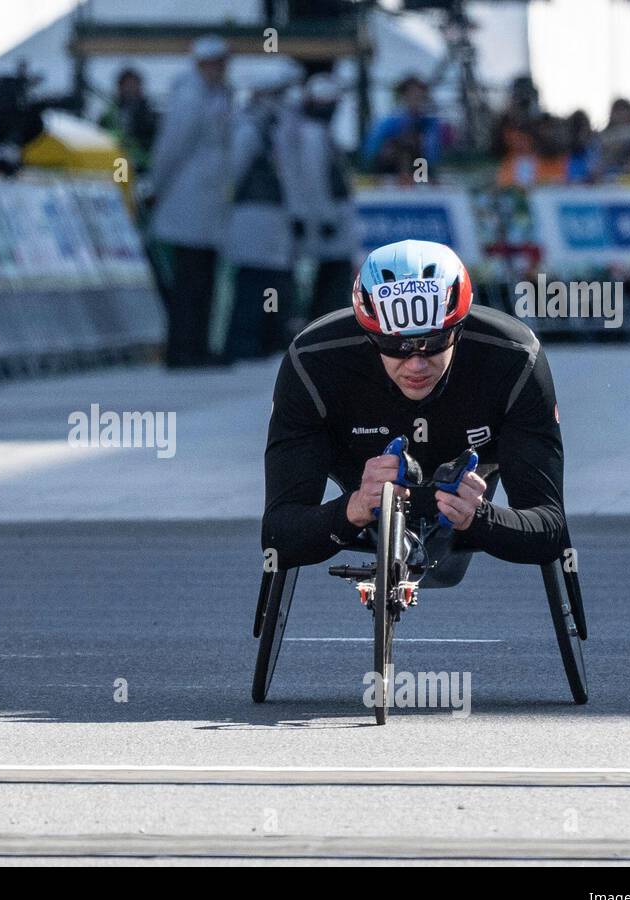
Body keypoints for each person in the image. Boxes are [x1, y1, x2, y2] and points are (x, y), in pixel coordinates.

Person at [262, 239, 567, 572]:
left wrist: (481, 517)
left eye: (434, 342)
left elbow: (550, 531)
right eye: (395, 345)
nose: (416, 365)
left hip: (468, 481)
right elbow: (279, 536)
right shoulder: (313, 361)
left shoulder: (515, 358)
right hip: (361, 476)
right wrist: (355, 508)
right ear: (368, 334)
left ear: (459, 328)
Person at [148, 34, 234, 368]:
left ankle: (196, 345)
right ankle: (182, 348)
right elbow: (170, 149)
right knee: (189, 281)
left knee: (202, 280)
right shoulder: (190, 96)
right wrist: (157, 187)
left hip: (206, 205)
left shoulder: (216, 95)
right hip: (187, 201)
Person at [221, 58, 302, 360]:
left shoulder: (273, 128)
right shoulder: (249, 129)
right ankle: (243, 344)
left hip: (272, 220)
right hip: (252, 218)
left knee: (272, 282)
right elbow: (234, 174)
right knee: (252, 285)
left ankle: (266, 341)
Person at [278, 73, 357, 326]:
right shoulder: (312, 133)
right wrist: (325, 217)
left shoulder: (318, 132)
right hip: (328, 219)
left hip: (329, 216)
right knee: (331, 276)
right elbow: (314, 180)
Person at [361, 76, 448, 176]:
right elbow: (372, 147)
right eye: (411, 95)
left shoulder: (429, 122)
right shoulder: (391, 121)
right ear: (403, 96)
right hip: (389, 170)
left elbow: (433, 150)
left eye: (419, 96)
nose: (416, 99)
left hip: (420, 171)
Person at [99, 66, 157, 176]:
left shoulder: (149, 114)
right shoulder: (109, 113)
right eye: (126, 85)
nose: (129, 89)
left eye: (133, 85)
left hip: (143, 167)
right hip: (117, 165)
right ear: (119, 87)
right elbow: (99, 135)